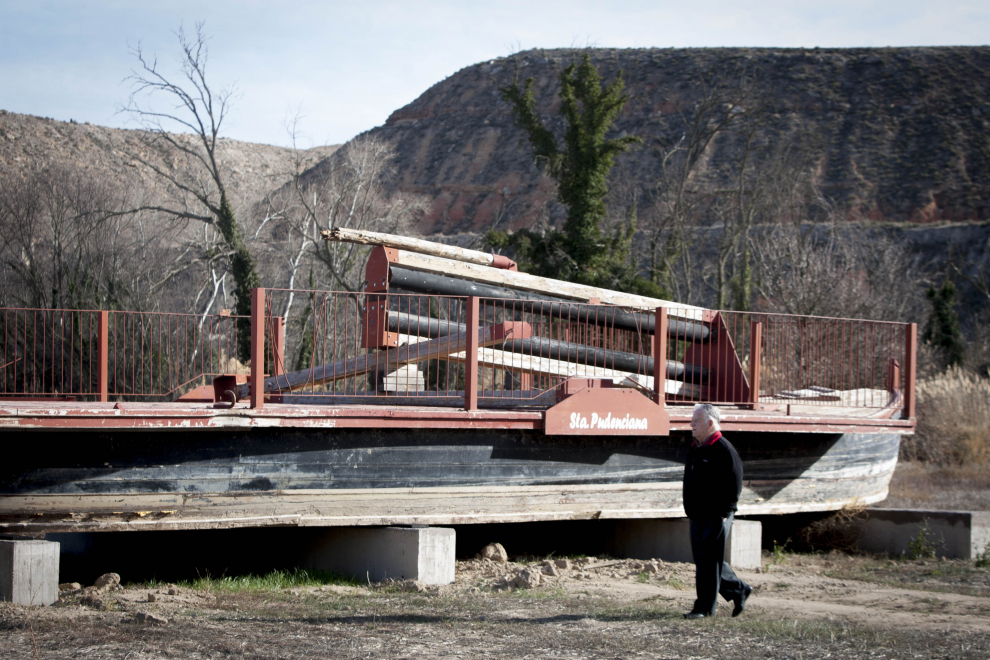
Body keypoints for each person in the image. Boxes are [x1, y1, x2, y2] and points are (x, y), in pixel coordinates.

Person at [682, 403, 752, 619]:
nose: (691, 424)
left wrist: (725, 512)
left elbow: (735, 482)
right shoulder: (696, 447)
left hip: (716, 514)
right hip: (697, 514)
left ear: (710, 423)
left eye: (696, 421)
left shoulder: (724, 449)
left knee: (708, 560)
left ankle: (703, 608)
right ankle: (738, 589)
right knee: (705, 559)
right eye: (692, 420)